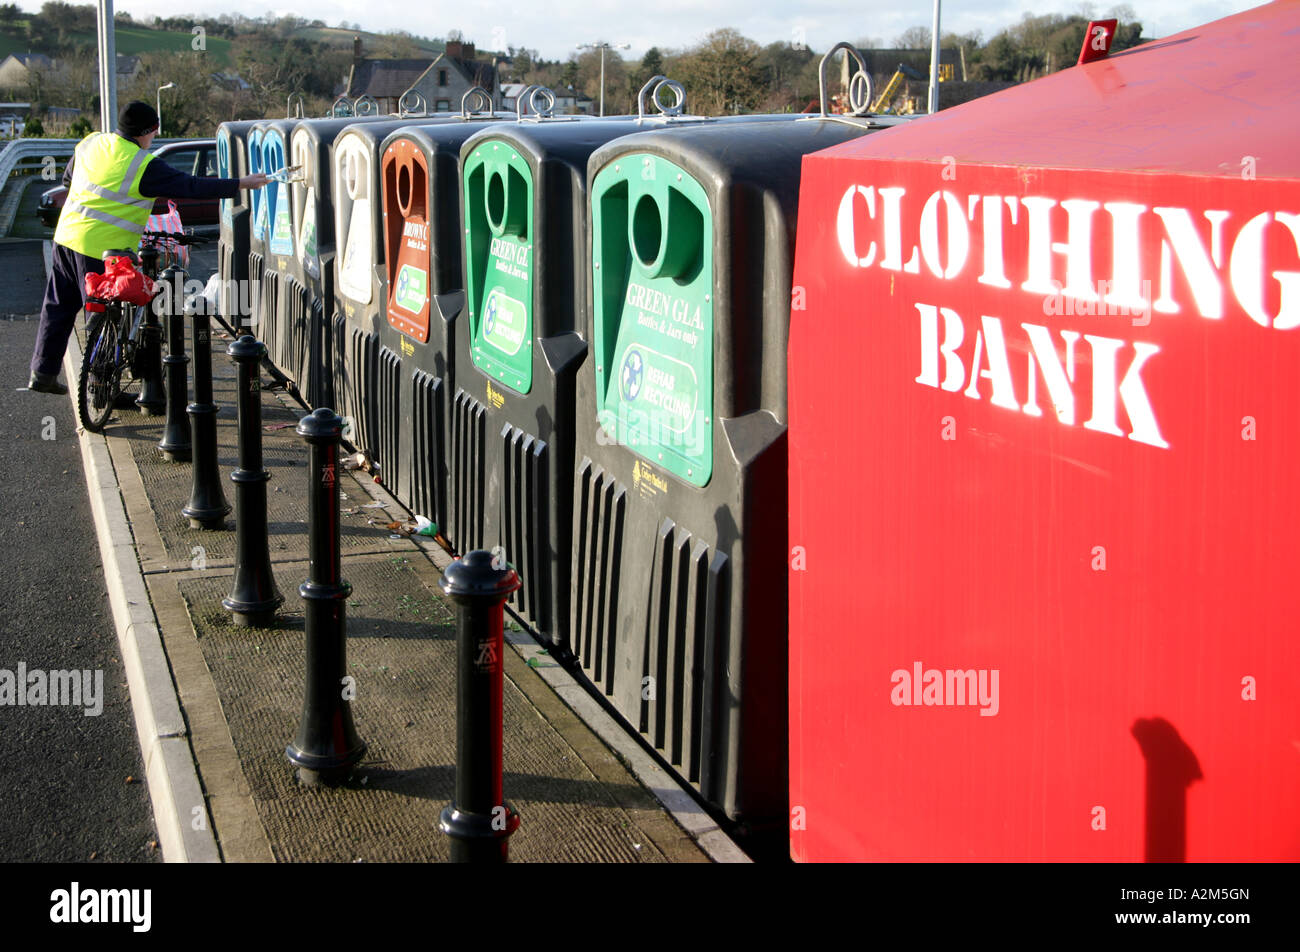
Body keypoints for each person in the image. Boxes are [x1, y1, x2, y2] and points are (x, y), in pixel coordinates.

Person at [27, 100, 270, 394]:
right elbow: (191, 186)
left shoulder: (92, 143)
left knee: (58, 307)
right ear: (149, 131)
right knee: (103, 318)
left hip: (65, 239)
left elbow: (69, 179)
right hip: (102, 251)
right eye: (154, 132)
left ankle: (43, 373)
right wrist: (242, 183)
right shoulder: (142, 164)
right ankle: (101, 389)